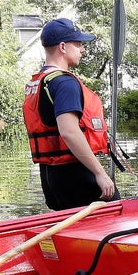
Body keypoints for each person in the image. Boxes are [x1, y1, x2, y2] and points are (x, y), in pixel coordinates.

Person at [22, 17, 118, 211]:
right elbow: (69, 131)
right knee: (115, 211)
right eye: (78, 44)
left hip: (51, 177)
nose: (82, 49)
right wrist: (99, 173)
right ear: (63, 47)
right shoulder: (65, 83)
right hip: (74, 173)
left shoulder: (42, 82)